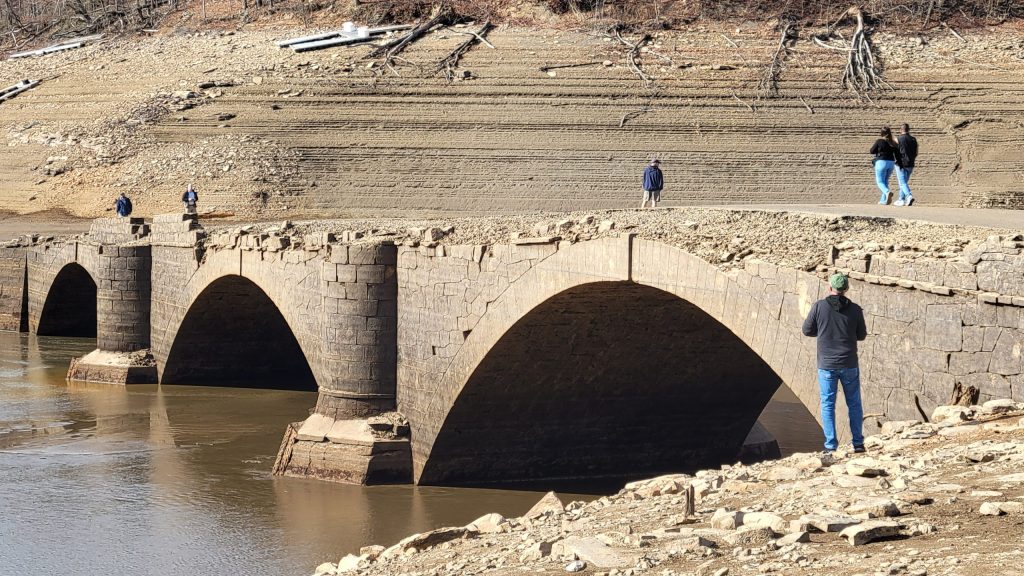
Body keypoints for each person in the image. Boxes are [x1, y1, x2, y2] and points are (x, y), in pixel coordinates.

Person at [802, 273, 868, 454]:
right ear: (846, 290)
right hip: (849, 363)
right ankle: (858, 444)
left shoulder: (819, 307)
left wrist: (823, 331)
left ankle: (830, 446)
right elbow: (861, 335)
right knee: (854, 403)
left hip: (827, 365)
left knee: (827, 404)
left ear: (830, 287)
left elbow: (807, 330)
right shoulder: (855, 309)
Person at [869, 127, 898, 205]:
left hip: (881, 162)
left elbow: (871, 151)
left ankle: (887, 192)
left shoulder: (879, 141)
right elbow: (896, 153)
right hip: (891, 163)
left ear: (881, 133)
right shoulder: (893, 143)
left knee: (880, 181)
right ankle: (883, 200)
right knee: (885, 181)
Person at [894, 123, 918, 207]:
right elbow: (916, 153)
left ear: (901, 130)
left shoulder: (898, 139)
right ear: (909, 130)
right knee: (904, 183)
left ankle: (909, 195)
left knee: (902, 182)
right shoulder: (913, 139)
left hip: (900, 163)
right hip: (910, 163)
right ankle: (901, 199)